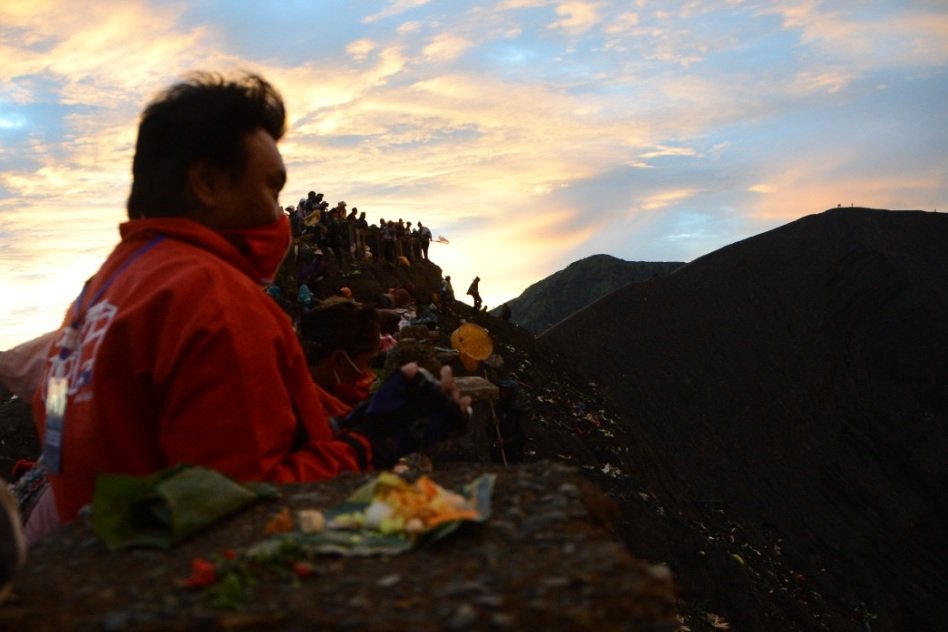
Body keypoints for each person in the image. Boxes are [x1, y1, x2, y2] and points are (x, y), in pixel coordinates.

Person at [29, 72, 470, 540]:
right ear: (208, 182)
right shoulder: (212, 297)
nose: (277, 215)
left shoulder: (99, 293)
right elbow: (247, 508)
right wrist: (373, 442)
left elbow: (167, 451)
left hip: (97, 564)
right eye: (272, 189)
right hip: (181, 586)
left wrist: (347, 423)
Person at [299, 297, 380, 411]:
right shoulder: (304, 414)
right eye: (368, 363)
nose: (370, 374)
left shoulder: (291, 391)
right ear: (338, 359)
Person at [490, 379, 530, 464]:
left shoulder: (520, 411)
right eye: (502, 390)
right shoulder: (497, 408)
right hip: (497, 453)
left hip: (514, 454)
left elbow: (522, 435)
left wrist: (505, 442)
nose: (502, 393)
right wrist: (493, 425)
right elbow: (489, 431)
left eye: (506, 391)